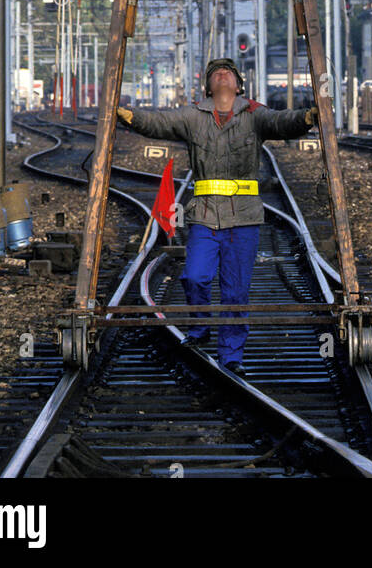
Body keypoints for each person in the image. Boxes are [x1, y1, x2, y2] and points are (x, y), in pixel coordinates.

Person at [116, 56, 317, 374]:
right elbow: (158, 123)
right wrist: (128, 116)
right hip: (205, 214)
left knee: (235, 290)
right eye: (216, 74)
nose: (222, 77)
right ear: (208, 86)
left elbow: (283, 122)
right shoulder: (193, 116)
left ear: (238, 85)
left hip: (245, 218)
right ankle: (200, 328)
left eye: (228, 74)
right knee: (195, 276)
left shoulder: (254, 115)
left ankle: (231, 355)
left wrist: (307, 118)